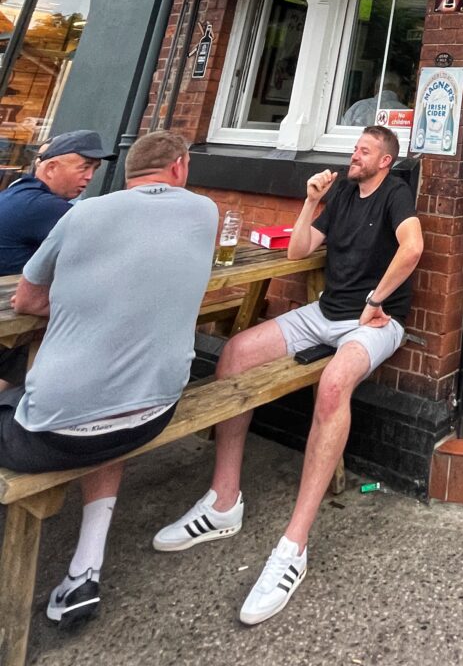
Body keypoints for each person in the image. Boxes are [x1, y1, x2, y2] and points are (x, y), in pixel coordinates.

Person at [154, 125, 423, 625]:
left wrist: (375, 300)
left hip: (377, 321)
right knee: (235, 352)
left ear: (385, 160)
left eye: (363, 151)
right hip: (325, 312)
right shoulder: (342, 191)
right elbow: (298, 251)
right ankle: (223, 501)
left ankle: (293, 546)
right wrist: (309, 201)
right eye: (355, 148)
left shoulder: (395, 193)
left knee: (335, 383)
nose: (353, 156)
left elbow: (412, 248)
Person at [1, 131, 217, 628]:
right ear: (181, 168)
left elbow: (27, 302)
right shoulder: (205, 212)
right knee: (113, 392)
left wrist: (87, 299)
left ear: (124, 174)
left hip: (56, 432)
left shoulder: (81, 215)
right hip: (152, 415)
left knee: (53, 394)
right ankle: (84, 568)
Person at [0, 130, 115, 390]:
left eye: (94, 169)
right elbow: (110, 250)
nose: (89, 177)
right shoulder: (47, 208)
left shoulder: (19, 191)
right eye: (84, 167)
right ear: (51, 168)